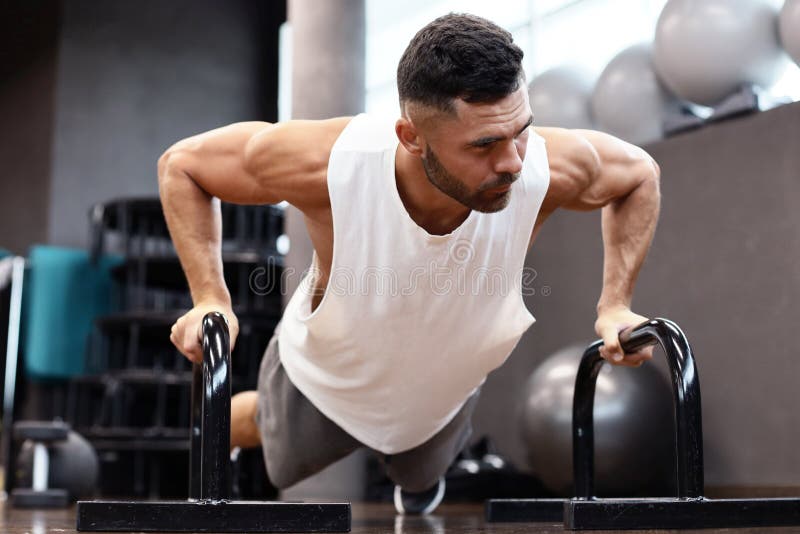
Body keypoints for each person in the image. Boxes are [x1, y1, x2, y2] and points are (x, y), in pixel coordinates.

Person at [159, 13, 660, 515]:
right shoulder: (328, 163)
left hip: (440, 389)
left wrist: (615, 306)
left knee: (421, 474)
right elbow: (183, 166)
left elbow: (639, 175)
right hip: (331, 377)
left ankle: (417, 479)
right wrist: (210, 298)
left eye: (521, 131)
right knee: (279, 453)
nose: (512, 162)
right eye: (484, 145)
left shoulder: (547, 167)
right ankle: (231, 429)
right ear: (410, 136)